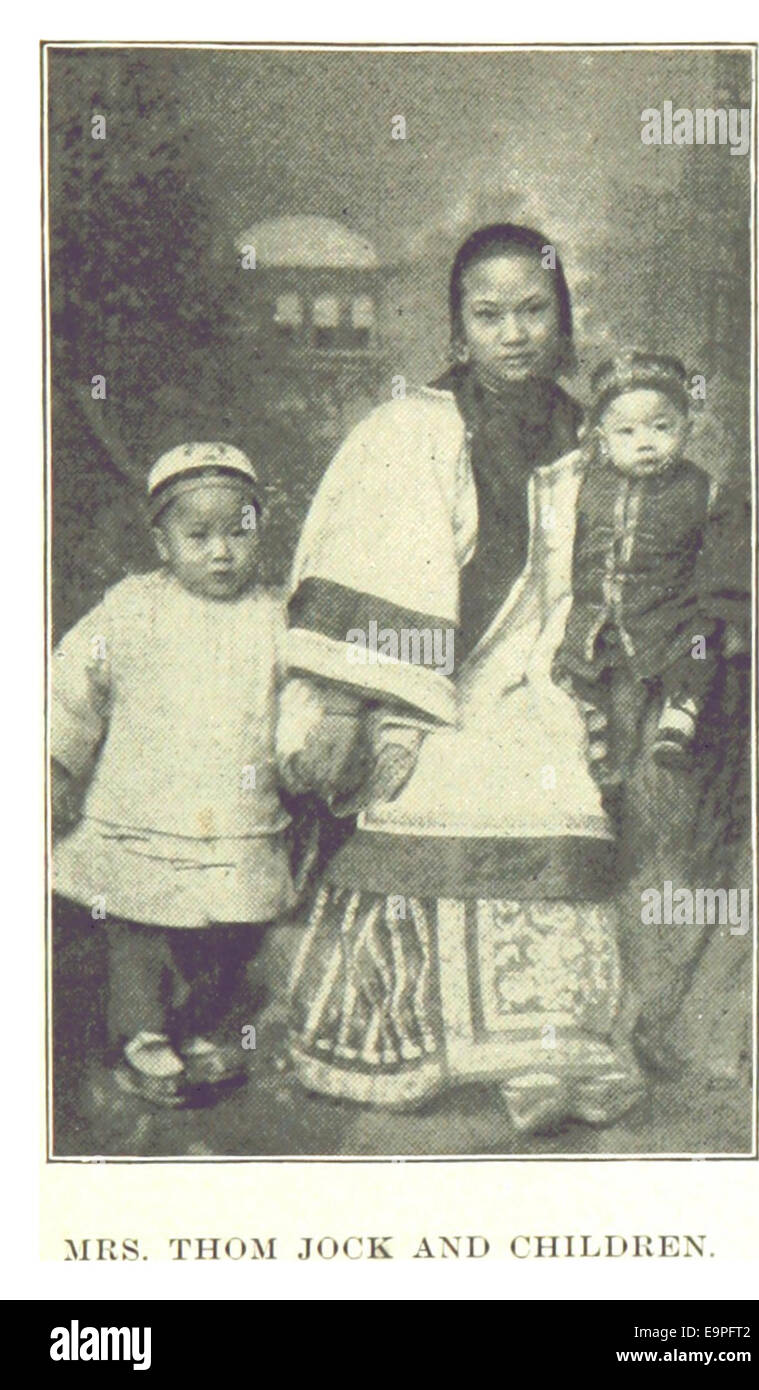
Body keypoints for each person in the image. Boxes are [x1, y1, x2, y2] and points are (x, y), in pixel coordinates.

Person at [276, 223, 646, 1136]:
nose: (513, 333)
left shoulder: (596, 437)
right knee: (423, 784)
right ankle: (409, 1042)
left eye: (533, 310)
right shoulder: (416, 428)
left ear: (561, 318)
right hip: (417, 684)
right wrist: (375, 711)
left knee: (551, 777)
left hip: (536, 669)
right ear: (457, 329)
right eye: (489, 315)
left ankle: (546, 1050)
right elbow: (383, 568)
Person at [51, 443, 297, 1106]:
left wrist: (309, 750)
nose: (221, 553)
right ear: (163, 543)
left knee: (224, 930)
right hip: (141, 804)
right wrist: (52, 764)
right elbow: (74, 686)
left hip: (233, 812)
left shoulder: (277, 618)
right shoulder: (132, 610)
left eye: (237, 534)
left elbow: (300, 701)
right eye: (199, 537)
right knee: (138, 925)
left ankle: (197, 1028)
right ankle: (141, 1035)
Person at [552, 350, 728, 784]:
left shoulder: (700, 489)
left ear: (686, 428)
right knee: (576, 663)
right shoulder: (587, 485)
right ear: (602, 438)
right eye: (626, 432)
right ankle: (594, 725)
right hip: (600, 612)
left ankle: (680, 713)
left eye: (661, 427)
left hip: (670, 611)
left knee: (699, 648)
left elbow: (719, 557)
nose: (645, 442)